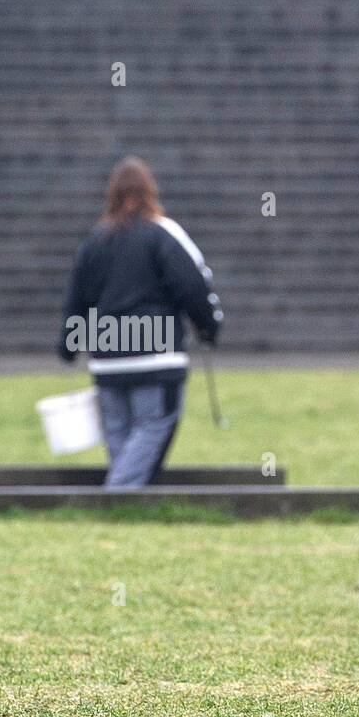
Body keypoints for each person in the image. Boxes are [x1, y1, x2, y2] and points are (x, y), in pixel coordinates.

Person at [56, 156, 223, 489]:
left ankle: (123, 503)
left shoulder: (95, 241)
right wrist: (208, 327)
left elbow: (78, 297)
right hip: (155, 353)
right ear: (151, 191)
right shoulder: (163, 234)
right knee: (152, 428)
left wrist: (68, 345)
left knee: (119, 434)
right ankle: (117, 498)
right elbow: (194, 285)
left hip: (107, 358)